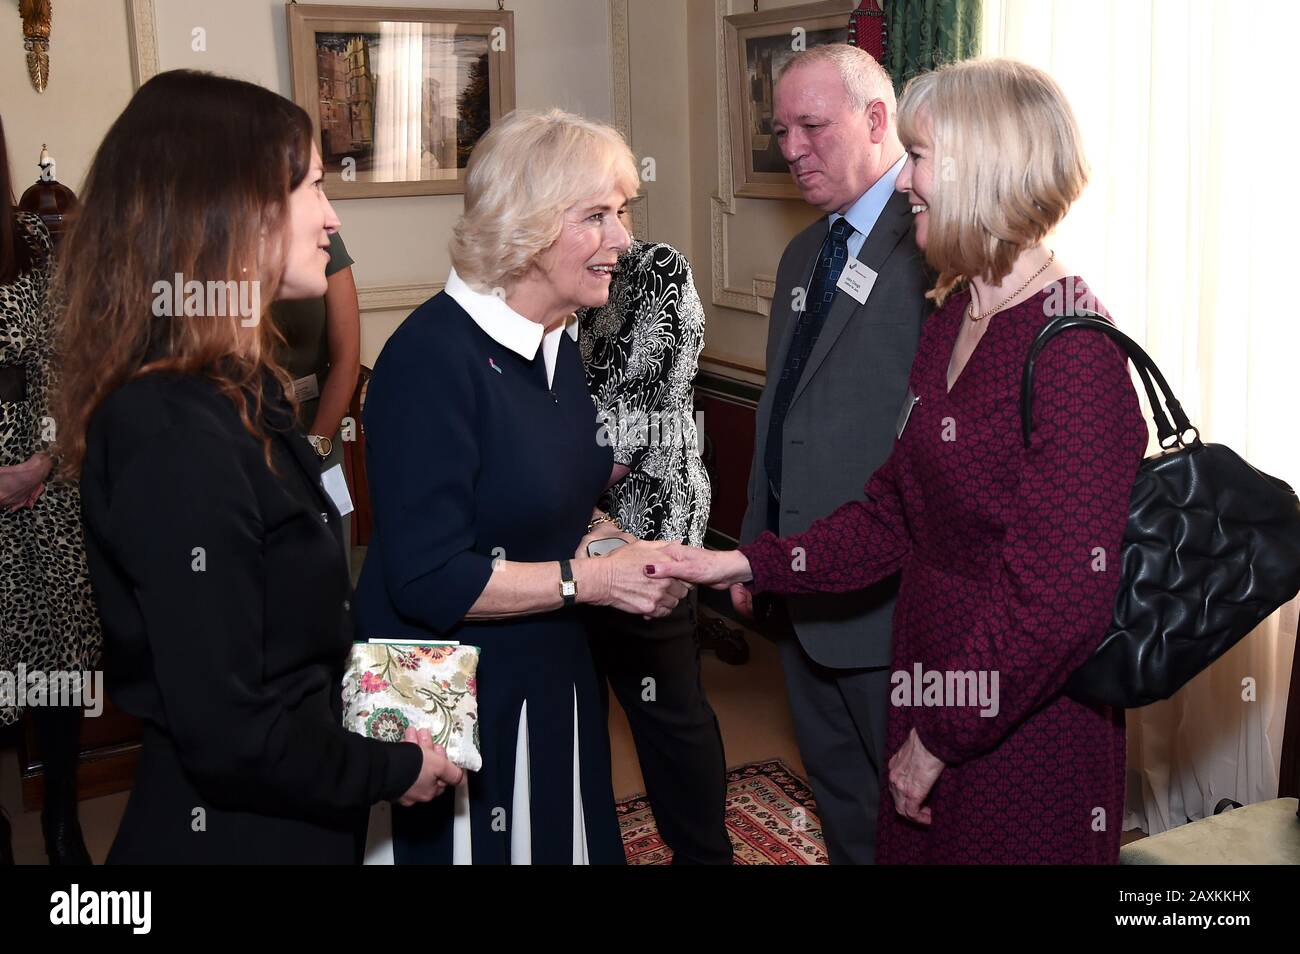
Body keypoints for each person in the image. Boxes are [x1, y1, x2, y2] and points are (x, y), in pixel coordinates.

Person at [648, 58, 1148, 865]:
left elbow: (1056, 606)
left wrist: (940, 740)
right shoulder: (954, 318)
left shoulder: (1074, 352)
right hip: (931, 681)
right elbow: (891, 514)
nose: (904, 178)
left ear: (987, 171)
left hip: (1014, 726)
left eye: (919, 156)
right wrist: (743, 560)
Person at [59, 70, 461, 864]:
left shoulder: (240, 390)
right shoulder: (172, 430)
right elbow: (233, 733)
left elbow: (288, 642)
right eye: (312, 186)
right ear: (232, 208)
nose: (331, 215)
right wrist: (394, 767)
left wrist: (389, 714)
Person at [355, 109, 687, 865]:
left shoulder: (555, 346)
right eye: (596, 216)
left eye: (623, 212)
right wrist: (601, 580)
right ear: (528, 226)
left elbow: (550, 504)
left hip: (550, 666)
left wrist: (625, 551)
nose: (623, 241)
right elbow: (430, 578)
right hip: (439, 691)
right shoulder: (429, 361)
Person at [735, 43, 930, 864]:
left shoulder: (933, 249)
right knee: (843, 796)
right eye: (781, 130)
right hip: (795, 587)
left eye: (811, 126)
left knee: (912, 810)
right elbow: (779, 412)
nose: (790, 149)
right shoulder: (801, 255)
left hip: (886, 600)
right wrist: (755, 547)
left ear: (877, 119)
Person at [576, 238, 732, 865]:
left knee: (667, 715)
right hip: (568, 525)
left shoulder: (655, 270)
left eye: (614, 209)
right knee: (580, 708)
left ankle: (703, 857)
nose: (610, 229)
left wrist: (522, 485)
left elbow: (627, 438)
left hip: (646, 528)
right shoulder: (551, 271)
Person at [0, 112, 103, 865]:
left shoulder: (38, 251)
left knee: (58, 671)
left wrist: (41, 459)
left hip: (44, 496)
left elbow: (74, 374)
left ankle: (63, 824)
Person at [269, 229, 361, 565]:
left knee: (330, 561)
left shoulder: (324, 234)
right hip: (248, 433)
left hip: (321, 423)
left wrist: (317, 444)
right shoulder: (221, 234)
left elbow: (347, 361)